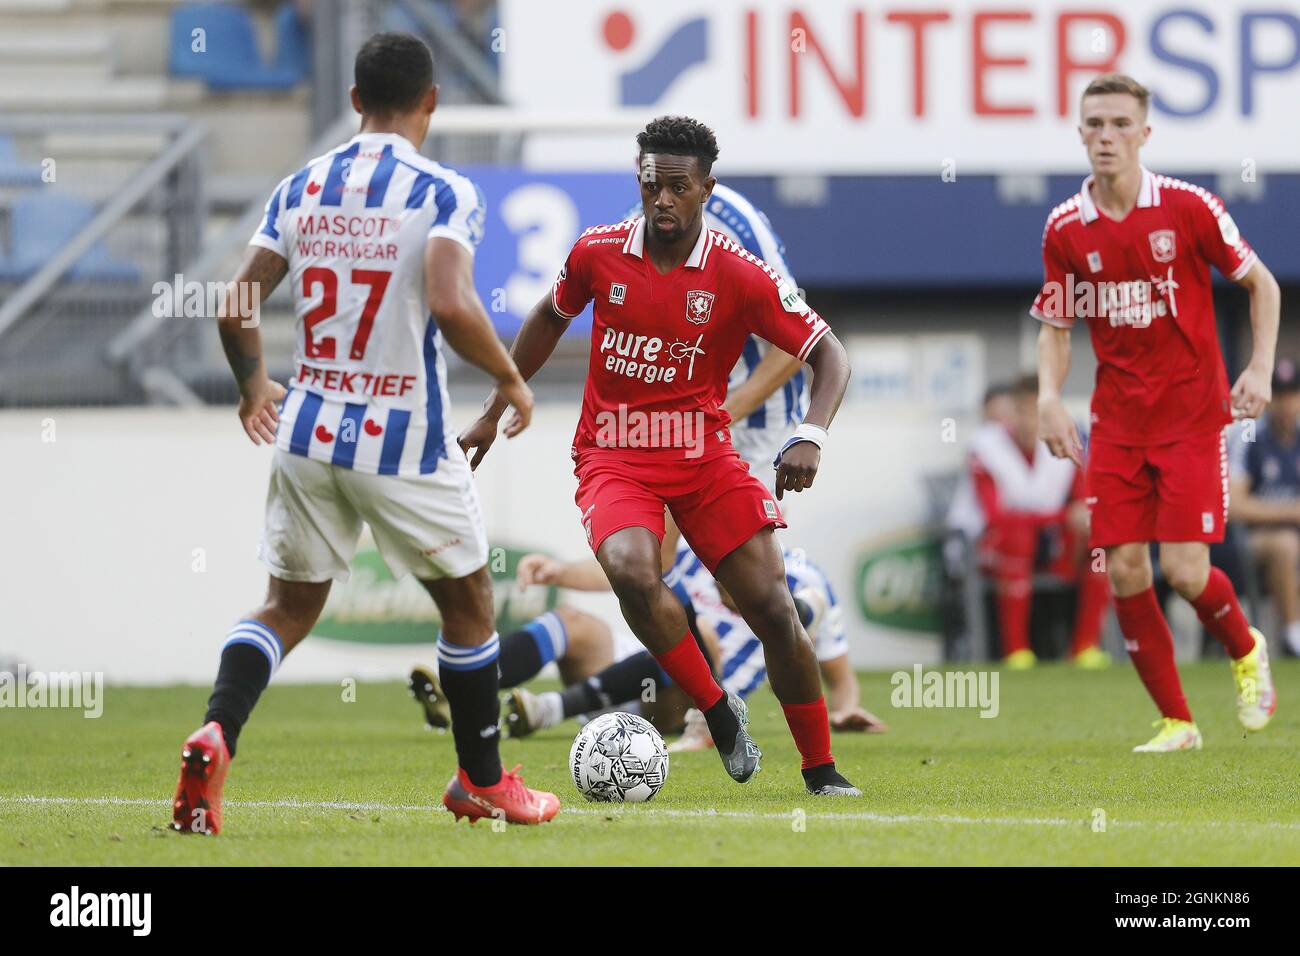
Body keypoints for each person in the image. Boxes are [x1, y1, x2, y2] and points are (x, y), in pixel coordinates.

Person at [170, 32, 558, 833]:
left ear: (354, 101)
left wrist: (252, 389)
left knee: (286, 606)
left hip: (308, 428)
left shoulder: (300, 186)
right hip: (404, 440)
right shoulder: (445, 191)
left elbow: (234, 301)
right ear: (432, 101)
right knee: (470, 605)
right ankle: (481, 781)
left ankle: (217, 731)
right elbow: (450, 305)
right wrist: (511, 378)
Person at [458, 115, 861, 796]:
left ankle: (821, 772)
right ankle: (717, 708)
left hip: (703, 456)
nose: (663, 200)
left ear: (706, 188)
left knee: (771, 607)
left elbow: (828, 353)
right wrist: (496, 408)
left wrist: (810, 433)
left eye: (678, 187)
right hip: (612, 452)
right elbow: (548, 319)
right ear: (639, 183)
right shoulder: (597, 252)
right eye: (652, 185)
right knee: (633, 572)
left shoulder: (742, 275)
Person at [1034, 72, 1281, 752]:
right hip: (1117, 423)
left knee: (1185, 573)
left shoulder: (1188, 207)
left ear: (1145, 133)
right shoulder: (1065, 228)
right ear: (1080, 132)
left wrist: (1258, 367)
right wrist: (1050, 398)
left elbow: (1261, 282)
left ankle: (1245, 646)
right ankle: (1178, 722)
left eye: (1119, 124)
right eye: (1094, 124)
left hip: (1193, 416)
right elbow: (1056, 323)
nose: (1106, 136)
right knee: (1123, 569)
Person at [971, 375, 1110, 669]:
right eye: (1022, 410)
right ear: (1012, 412)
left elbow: (1083, 502)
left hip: (1053, 543)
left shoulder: (1068, 441)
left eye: (1036, 411)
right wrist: (1061, 516)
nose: (1029, 420)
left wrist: (1076, 517)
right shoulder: (985, 447)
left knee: (1101, 548)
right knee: (1017, 536)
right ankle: (1017, 651)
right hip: (995, 547)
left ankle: (1084, 647)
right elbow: (995, 516)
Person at [1229, 358, 1300, 657]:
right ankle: (1294, 638)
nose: (1286, 403)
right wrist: (1290, 512)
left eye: (1292, 394)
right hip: (1250, 541)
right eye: (1279, 395)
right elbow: (1233, 505)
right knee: (1285, 544)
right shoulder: (1249, 435)